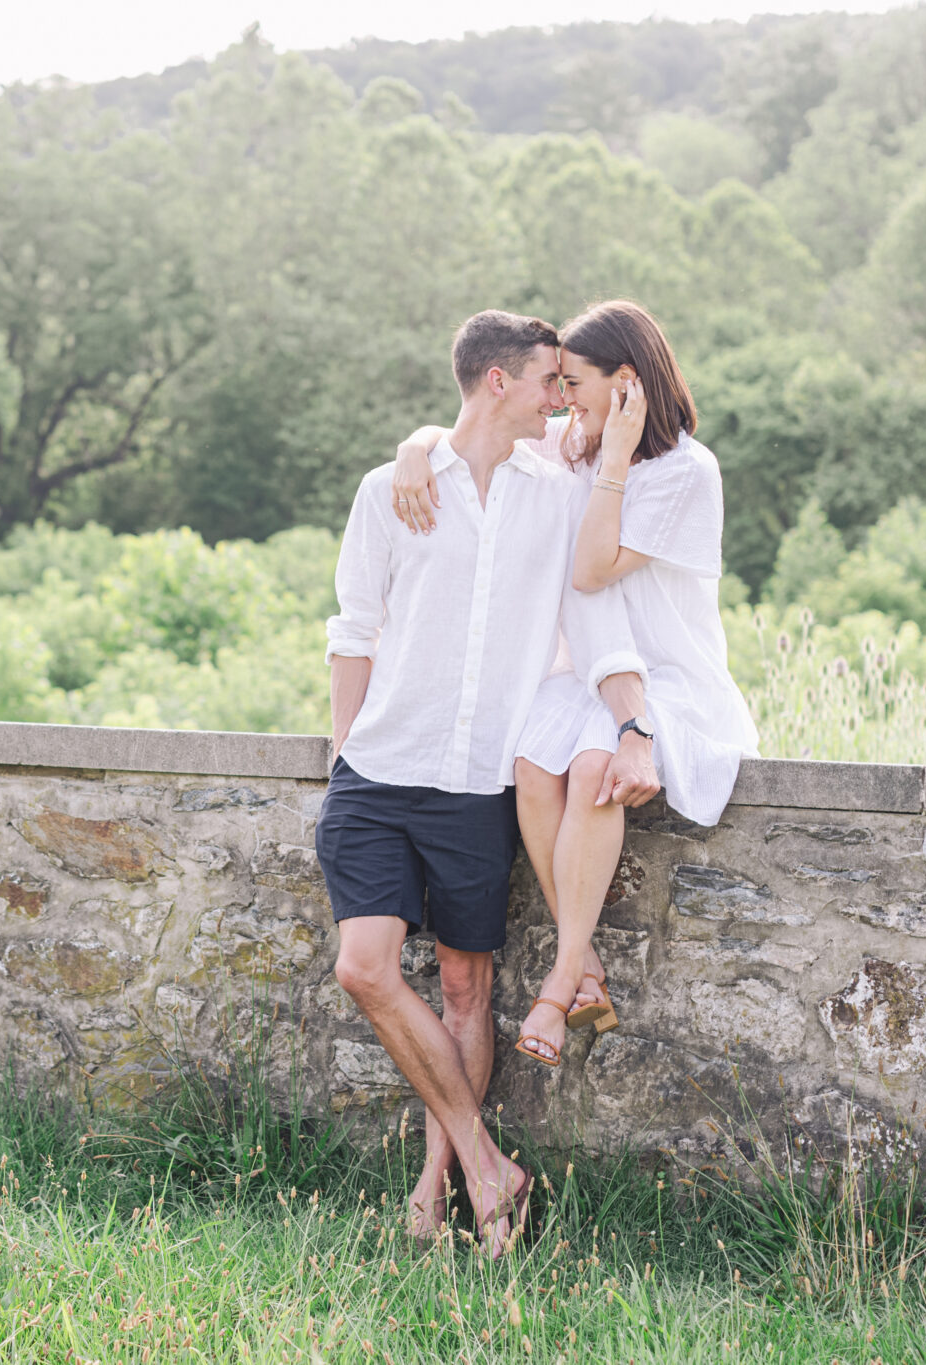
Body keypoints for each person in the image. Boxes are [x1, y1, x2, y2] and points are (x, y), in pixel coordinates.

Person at [318, 309, 660, 1260]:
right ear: (499, 381)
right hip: (378, 773)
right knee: (365, 966)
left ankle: (444, 1186)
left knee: (468, 988)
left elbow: (595, 612)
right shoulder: (392, 488)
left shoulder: (556, 495)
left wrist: (632, 723)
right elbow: (354, 629)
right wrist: (343, 752)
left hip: (477, 783)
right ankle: (486, 1160)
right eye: (550, 379)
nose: (562, 395)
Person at [385, 299, 759, 1066]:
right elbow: (479, 428)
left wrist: (613, 459)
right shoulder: (576, 441)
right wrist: (414, 445)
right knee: (532, 761)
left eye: (574, 383)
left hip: (667, 677)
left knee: (594, 766)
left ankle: (560, 985)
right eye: (556, 384)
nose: (561, 400)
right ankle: (583, 963)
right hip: (589, 668)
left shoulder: (687, 471)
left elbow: (590, 570)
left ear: (626, 383)